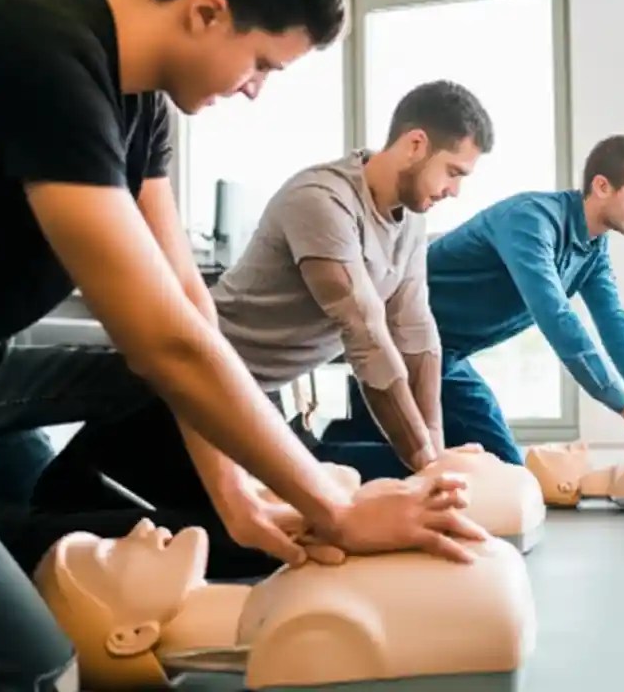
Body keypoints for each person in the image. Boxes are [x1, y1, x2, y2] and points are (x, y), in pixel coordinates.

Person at [0, 0, 484, 688]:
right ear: (207, 12)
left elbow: (191, 310)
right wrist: (333, 508)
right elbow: (165, 343)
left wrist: (239, 497)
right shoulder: (42, 57)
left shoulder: (142, 109)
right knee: (38, 665)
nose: (254, 91)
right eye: (262, 65)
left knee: (68, 485)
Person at [32, 80, 494, 526]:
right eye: (454, 172)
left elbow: (415, 333)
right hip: (195, 384)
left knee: (287, 522)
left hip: (255, 396)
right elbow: (366, 334)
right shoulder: (322, 200)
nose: (454, 190)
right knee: (65, 506)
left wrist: (435, 451)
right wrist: (425, 463)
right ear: (415, 144)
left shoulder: (409, 222)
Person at [335, 135, 624, 465]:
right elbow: (555, 316)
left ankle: (335, 448)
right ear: (602, 186)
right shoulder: (531, 220)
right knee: (503, 465)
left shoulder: (593, 249)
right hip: (401, 336)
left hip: (445, 352)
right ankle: (320, 463)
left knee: (459, 460)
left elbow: (613, 321)